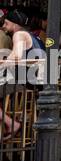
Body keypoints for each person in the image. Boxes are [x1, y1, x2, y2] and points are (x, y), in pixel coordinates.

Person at [0, 10, 40, 139]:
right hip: (36, 80)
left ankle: (12, 124)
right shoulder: (32, 35)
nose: (3, 26)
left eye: (6, 23)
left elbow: (16, 55)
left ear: (15, 24)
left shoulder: (19, 34)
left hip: (27, 80)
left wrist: (2, 65)